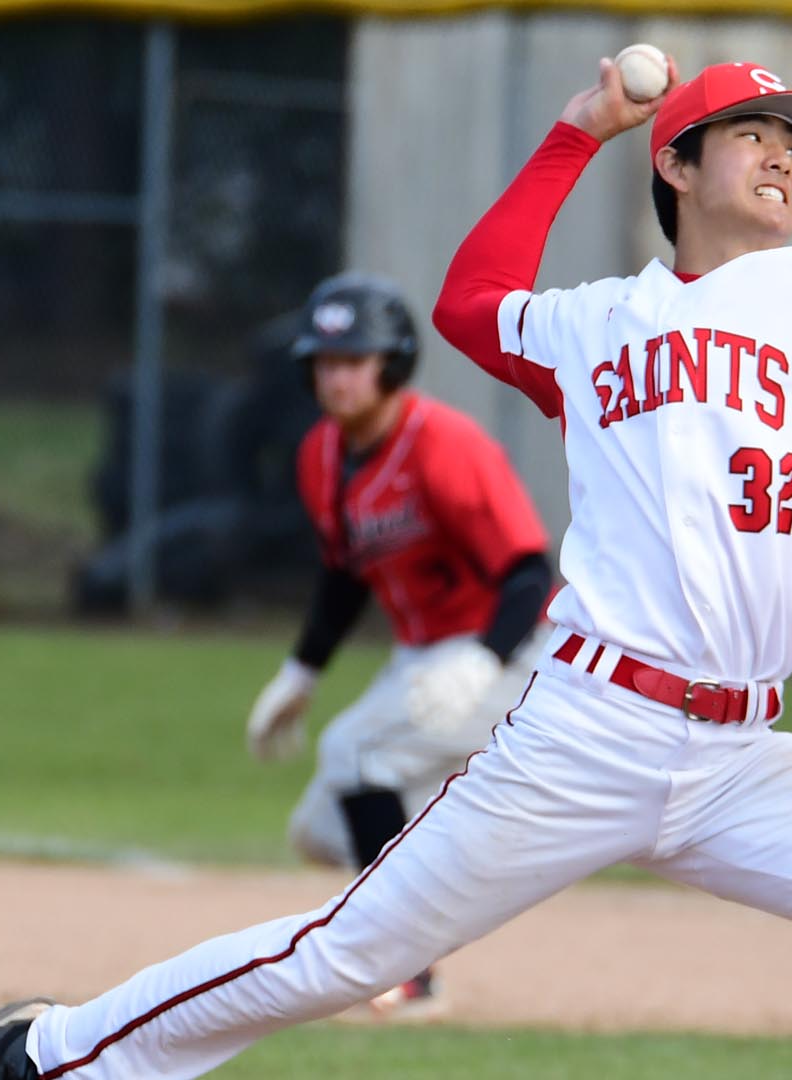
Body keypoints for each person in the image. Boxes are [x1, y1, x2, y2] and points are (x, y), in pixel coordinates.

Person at [0, 54, 792, 1080]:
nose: (784, 155)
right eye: (748, 133)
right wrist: (579, 131)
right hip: (592, 726)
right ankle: (46, 1053)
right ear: (676, 169)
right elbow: (474, 303)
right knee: (347, 954)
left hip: (743, 758)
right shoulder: (599, 324)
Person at [243, 272, 555, 1020]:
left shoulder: (442, 443)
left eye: (355, 359)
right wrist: (301, 670)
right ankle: (457, 866)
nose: (338, 376)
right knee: (322, 830)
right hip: (421, 658)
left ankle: (411, 974)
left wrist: (484, 662)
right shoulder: (320, 454)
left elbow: (528, 572)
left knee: (355, 753)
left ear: (394, 363)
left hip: (508, 651)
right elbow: (344, 575)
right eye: (325, 361)